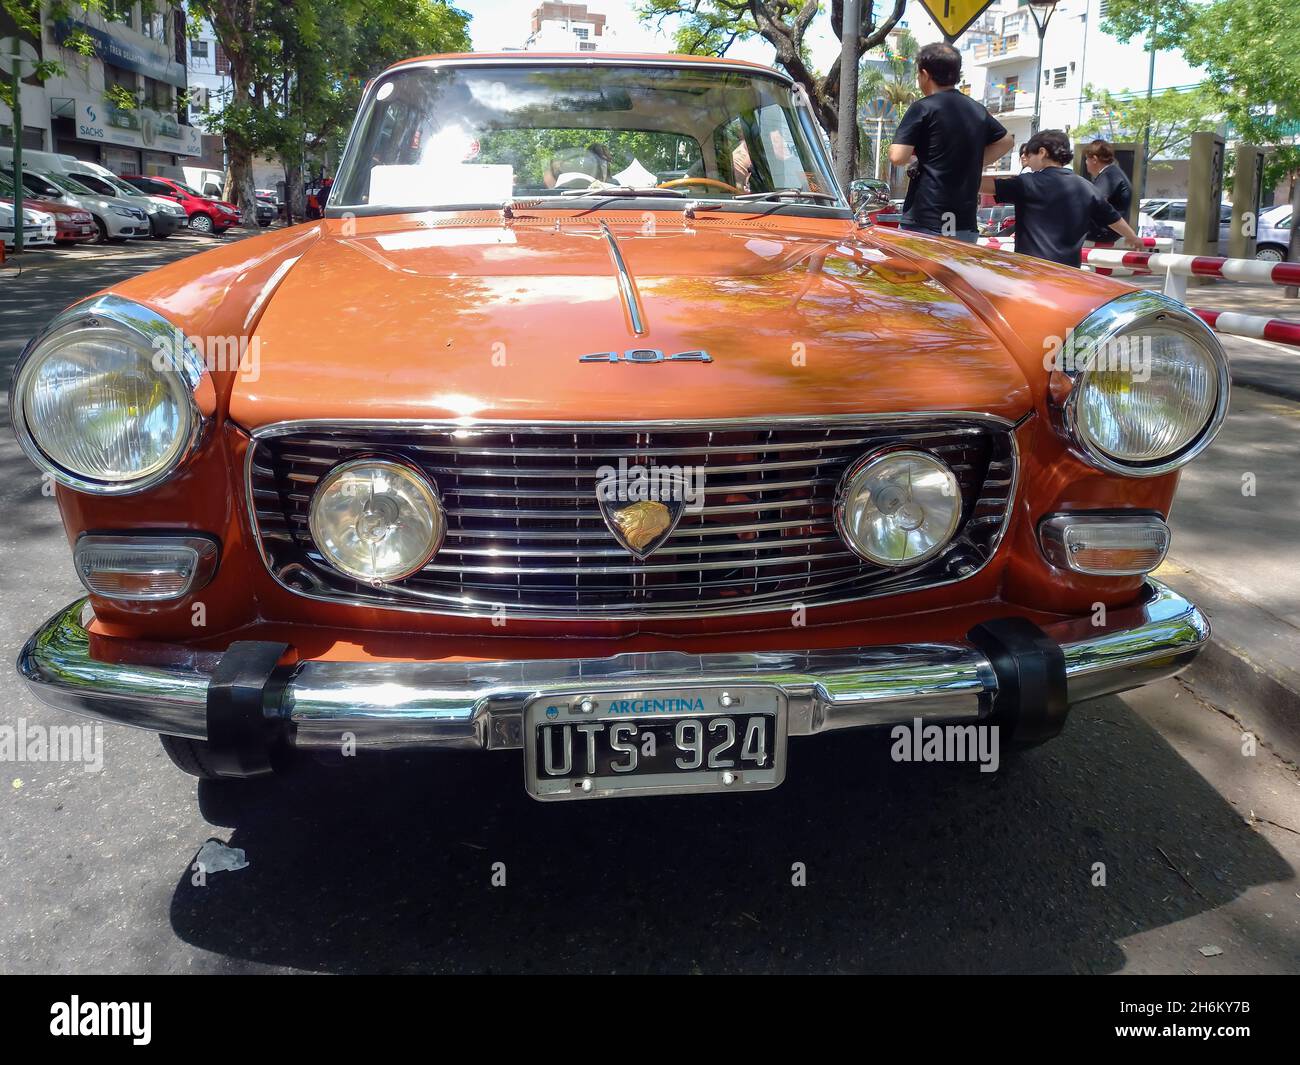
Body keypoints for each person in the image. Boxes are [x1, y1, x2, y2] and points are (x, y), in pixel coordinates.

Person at [889, 42, 1015, 242]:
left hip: (926, 220)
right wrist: (968, 163)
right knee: (955, 274)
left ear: (925, 74)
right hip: (964, 221)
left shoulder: (923, 108)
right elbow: (1006, 141)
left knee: (920, 273)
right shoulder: (976, 109)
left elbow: (898, 156)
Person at [982, 129, 1141, 268]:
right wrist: (1132, 237)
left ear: (1042, 152)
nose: (1028, 161)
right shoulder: (1086, 187)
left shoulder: (1027, 182)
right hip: (1068, 273)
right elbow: (1113, 218)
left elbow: (985, 186)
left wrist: (964, 171)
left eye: (1029, 155)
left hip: (1032, 270)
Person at [1083, 139, 1133, 246]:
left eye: (1087, 159)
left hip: (1102, 232)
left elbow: (1096, 203)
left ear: (1094, 159)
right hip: (1109, 232)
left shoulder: (1108, 175)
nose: (1086, 163)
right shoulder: (1114, 173)